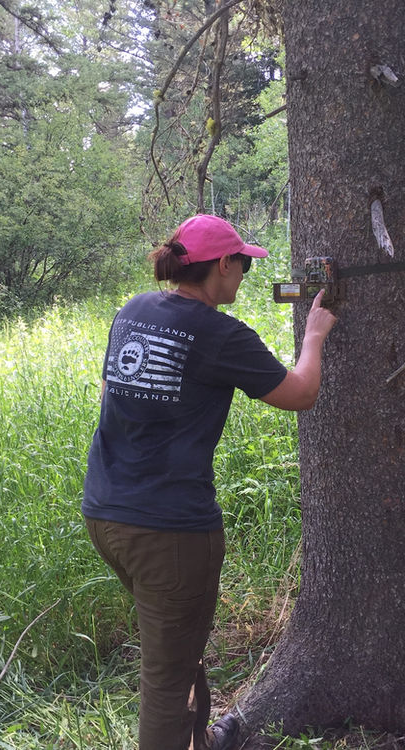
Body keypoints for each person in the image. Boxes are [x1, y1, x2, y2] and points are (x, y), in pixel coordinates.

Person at [82, 214, 337, 750]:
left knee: (178, 642)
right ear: (222, 264)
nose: (244, 274)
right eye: (242, 264)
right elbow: (301, 394)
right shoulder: (220, 333)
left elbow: (111, 386)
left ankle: (198, 741)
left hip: (106, 513)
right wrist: (314, 336)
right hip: (170, 532)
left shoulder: (133, 311)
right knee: (165, 682)